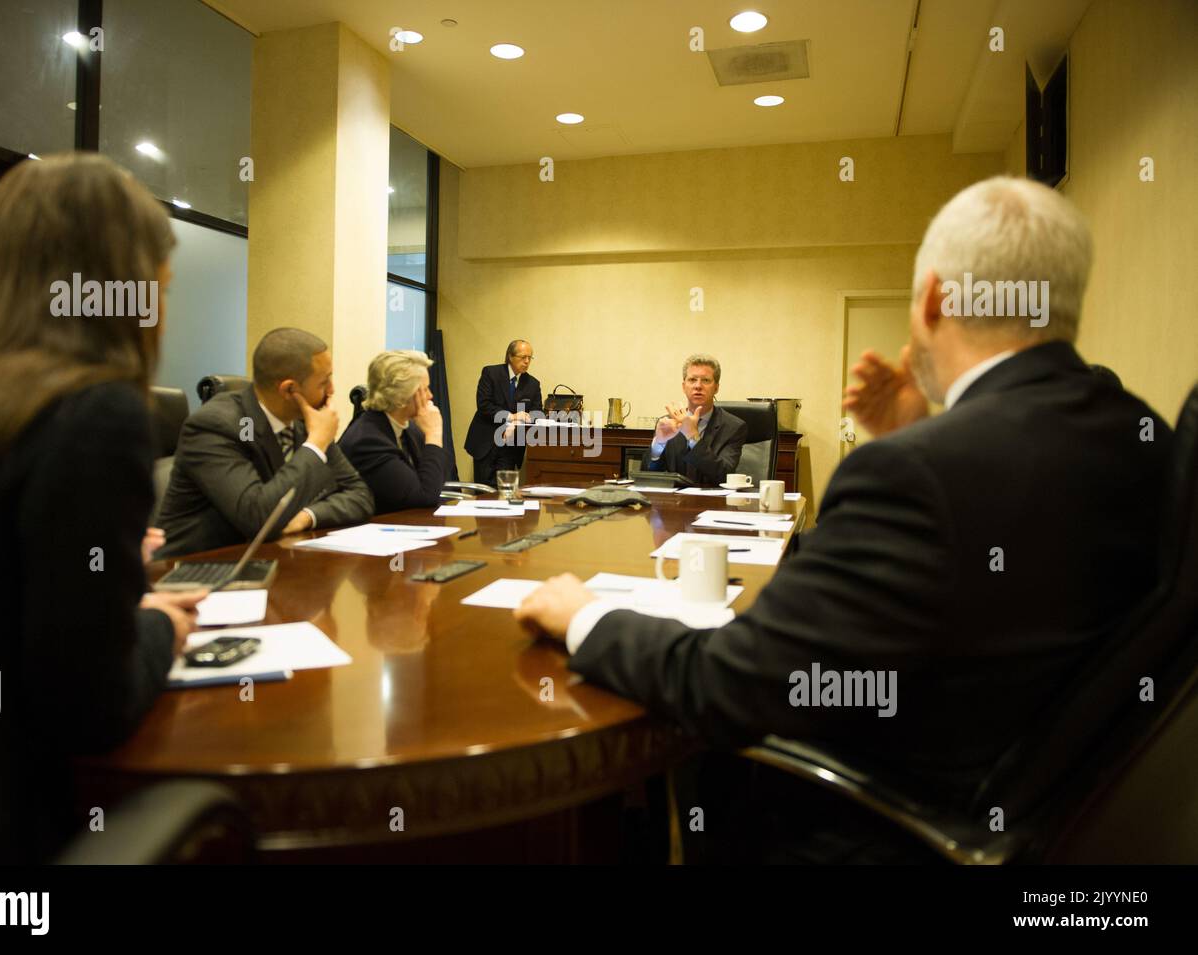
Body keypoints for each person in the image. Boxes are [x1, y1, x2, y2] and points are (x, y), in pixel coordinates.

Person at [514, 176, 1174, 861]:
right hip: (1032, 802)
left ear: (934, 299)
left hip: (882, 817)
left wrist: (586, 615)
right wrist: (912, 439)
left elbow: (729, 685)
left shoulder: (918, 475)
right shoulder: (1141, 434)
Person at [0, 153, 205, 863]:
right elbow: (89, 706)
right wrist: (153, 623)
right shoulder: (96, 413)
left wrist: (98, 569)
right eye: (161, 288)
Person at [156, 328, 374, 558]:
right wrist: (316, 444)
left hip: (269, 560)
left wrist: (306, 516)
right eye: (324, 382)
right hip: (196, 570)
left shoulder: (303, 422)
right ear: (289, 389)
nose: (332, 390)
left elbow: (360, 495)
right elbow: (258, 518)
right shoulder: (220, 425)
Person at [339, 350, 451, 514]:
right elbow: (424, 497)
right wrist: (433, 434)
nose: (430, 396)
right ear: (402, 396)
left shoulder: (409, 427)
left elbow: (438, 477)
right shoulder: (368, 439)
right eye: (425, 389)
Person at [641, 354, 747, 486]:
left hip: (713, 501)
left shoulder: (733, 427)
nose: (698, 386)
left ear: (716, 388)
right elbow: (648, 476)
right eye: (692, 380)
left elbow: (724, 476)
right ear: (684, 386)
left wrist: (693, 437)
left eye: (706, 380)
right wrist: (659, 444)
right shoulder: (667, 423)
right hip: (674, 503)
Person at [463, 340, 542, 486]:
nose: (526, 361)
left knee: (504, 492)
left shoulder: (532, 384)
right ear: (510, 356)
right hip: (486, 443)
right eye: (523, 357)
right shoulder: (491, 373)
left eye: (529, 358)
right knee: (483, 493)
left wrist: (516, 423)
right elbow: (484, 405)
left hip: (511, 447)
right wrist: (511, 416)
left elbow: (537, 414)